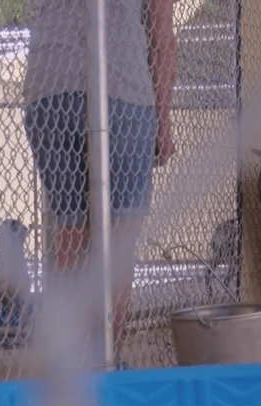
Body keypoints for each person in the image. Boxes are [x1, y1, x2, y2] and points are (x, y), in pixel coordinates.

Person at [23, 0, 176, 366]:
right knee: (118, 239)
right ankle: (106, 360)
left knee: (70, 235)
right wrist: (164, 121)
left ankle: (67, 364)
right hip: (122, 84)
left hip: (48, 85)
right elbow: (161, 36)